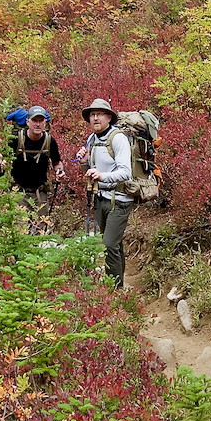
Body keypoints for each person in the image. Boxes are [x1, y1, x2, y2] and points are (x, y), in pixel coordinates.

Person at [80, 98, 135, 287]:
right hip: (100, 198)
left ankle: (115, 288)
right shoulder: (92, 139)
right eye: (92, 115)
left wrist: (102, 176)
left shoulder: (118, 138)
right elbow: (89, 170)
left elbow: (126, 172)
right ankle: (118, 285)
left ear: (108, 117)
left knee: (109, 244)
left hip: (119, 200)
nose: (95, 118)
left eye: (99, 114)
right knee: (114, 245)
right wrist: (84, 161)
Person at [0, 105, 63, 227]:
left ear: (45, 122)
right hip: (18, 193)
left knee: (41, 230)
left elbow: (56, 162)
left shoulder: (50, 141)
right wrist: (2, 163)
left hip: (40, 193)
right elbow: (0, 157)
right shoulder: (16, 139)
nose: (37, 124)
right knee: (19, 230)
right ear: (28, 121)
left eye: (40, 121)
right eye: (34, 120)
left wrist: (59, 171)